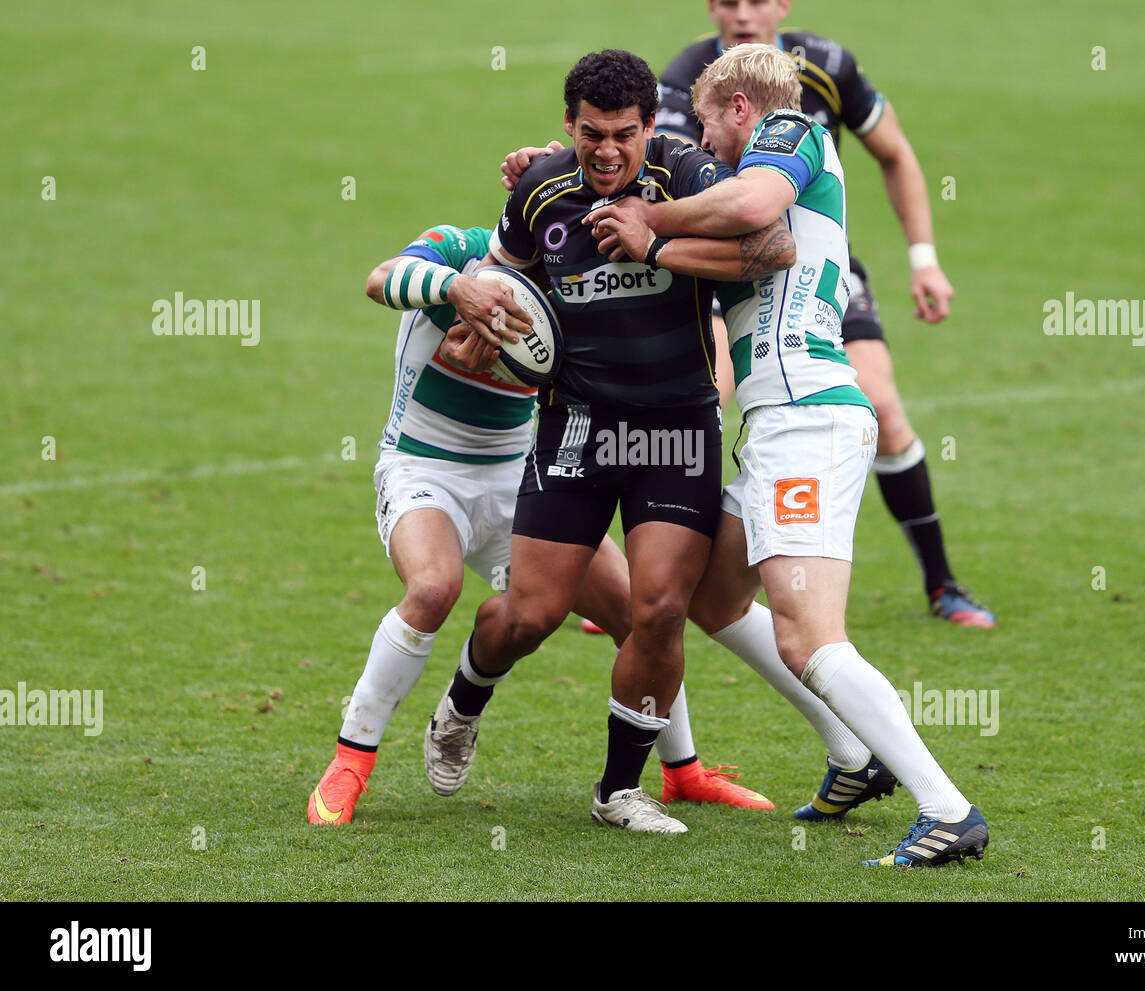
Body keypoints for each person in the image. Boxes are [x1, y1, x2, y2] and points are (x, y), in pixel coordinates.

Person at [585, 43, 988, 867]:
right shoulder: (750, 194)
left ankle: (948, 807)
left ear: (739, 107)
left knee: (812, 638)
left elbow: (750, 206)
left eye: (705, 121)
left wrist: (652, 224)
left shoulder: (791, 131)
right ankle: (852, 756)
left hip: (809, 420)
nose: (702, 139)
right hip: (778, 428)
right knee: (710, 594)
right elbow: (737, 239)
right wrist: (642, 233)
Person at [437, 49, 797, 834]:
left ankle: (617, 790)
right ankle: (465, 697)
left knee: (660, 608)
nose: (609, 152)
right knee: (529, 615)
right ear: (567, 127)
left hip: (677, 426)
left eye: (625, 136)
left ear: (650, 127)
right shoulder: (540, 189)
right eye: (593, 135)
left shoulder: (688, 175)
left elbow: (773, 247)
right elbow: (504, 276)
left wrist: (654, 244)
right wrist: (479, 325)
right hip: (577, 424)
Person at [307, 218, 771, 824]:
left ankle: (682, 773)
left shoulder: (573, 281)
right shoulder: (461, 249)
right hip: (423, 468)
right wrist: (456, 292)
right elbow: (380, 279)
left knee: (642, 615)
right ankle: (350, 763)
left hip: (518, 475)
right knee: (431, 587)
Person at [657, 0, 995, 629]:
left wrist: (924, 259)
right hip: (725, 260)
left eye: (756, 0)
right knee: (704, 401)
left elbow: (895, 153)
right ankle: (661, 578)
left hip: (819, 266)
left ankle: (943, 584)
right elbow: (674, 176)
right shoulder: (688, 74)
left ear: (781, 5)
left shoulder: (827, 66)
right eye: (728, 2)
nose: (743, 13)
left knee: (885, 409)